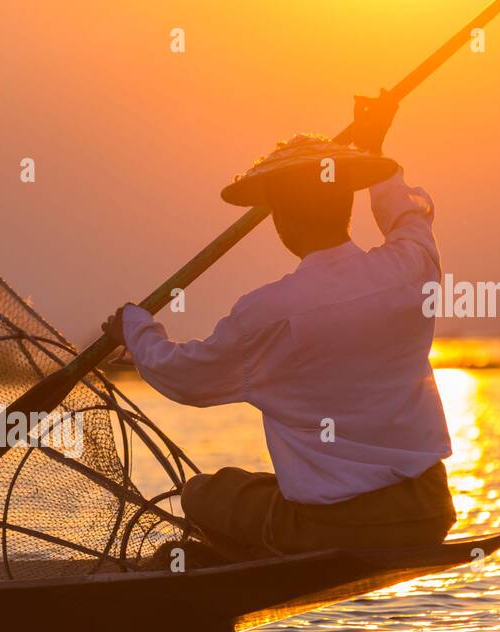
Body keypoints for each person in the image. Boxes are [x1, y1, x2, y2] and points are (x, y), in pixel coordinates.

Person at [103, 93, 456, 561]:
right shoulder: (410, 270)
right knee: (247, 490)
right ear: (345, 205)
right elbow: (407, 216)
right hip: (429, 512)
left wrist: (136, 328)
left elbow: (184, 376)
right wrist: (374, 148)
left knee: (202, 495)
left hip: (337, 527)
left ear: (281, 218)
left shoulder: (267, 313)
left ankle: (218, 566)